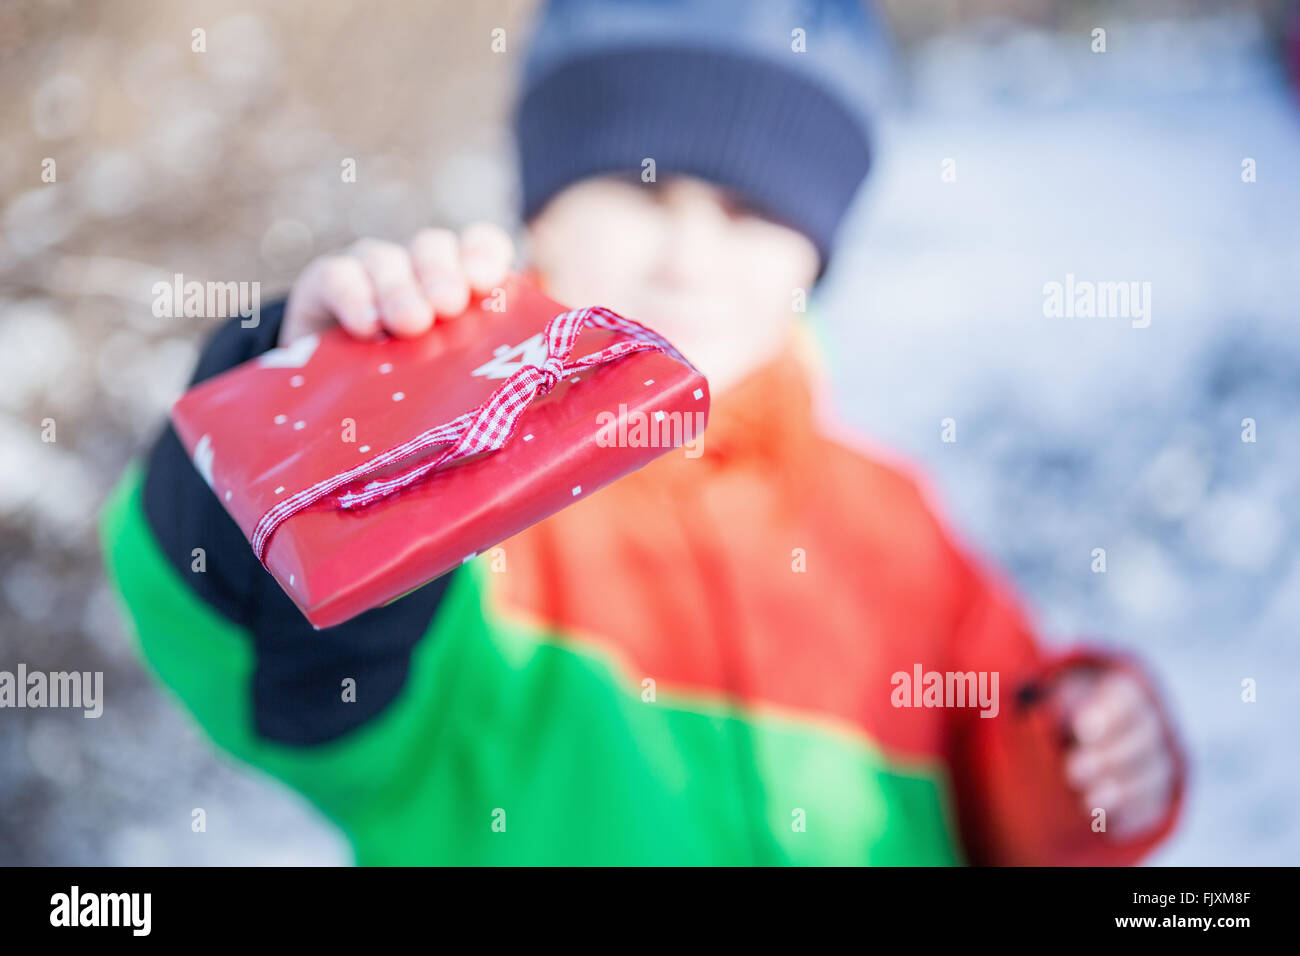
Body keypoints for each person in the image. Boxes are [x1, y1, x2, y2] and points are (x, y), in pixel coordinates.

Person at [101, 0, 1183, 865]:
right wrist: (320, 434)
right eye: (638, 186)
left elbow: (1001, 795)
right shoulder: (458, 491)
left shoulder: (896, 524)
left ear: (816, 250)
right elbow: (283, 677)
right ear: (542, 209)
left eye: (753, 208)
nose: (688, 259)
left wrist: (1075, 759)